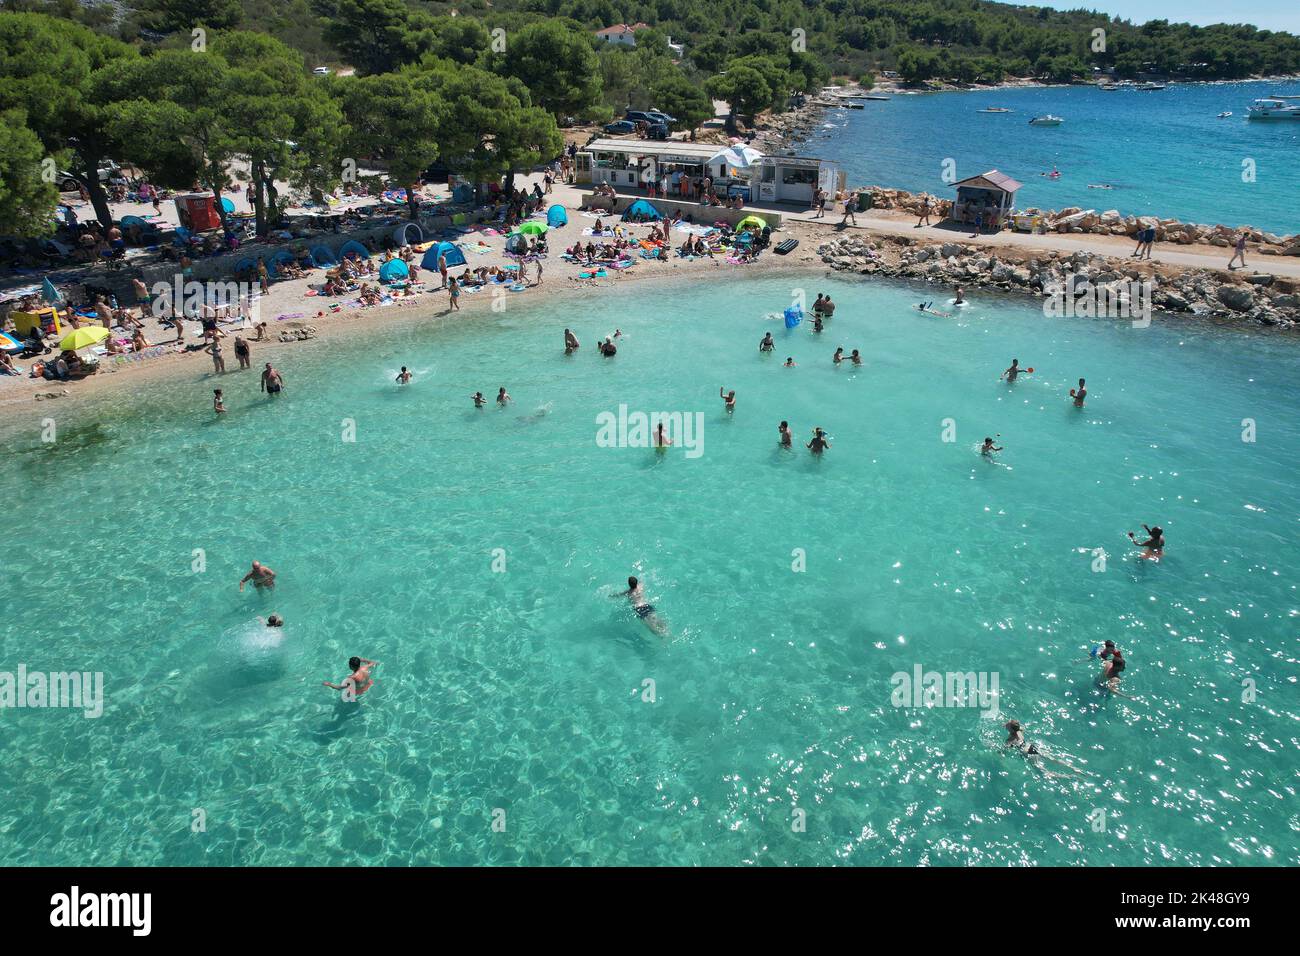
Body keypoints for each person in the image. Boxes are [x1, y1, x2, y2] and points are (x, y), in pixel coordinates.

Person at [1004, 720, 1087, 778]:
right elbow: (1020, 728)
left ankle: (1070, 777)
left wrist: (1001, 751)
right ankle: (1074, 768)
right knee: (1052, 759)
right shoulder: (1020, 731)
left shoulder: (1010, 739)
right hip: (1031, 746)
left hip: (1026, 752)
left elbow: (1007, 748)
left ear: (1011, 729)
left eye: (1007, 726)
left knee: (1044, 773)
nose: (1005, 726)